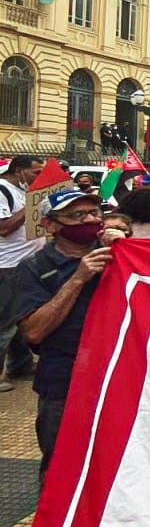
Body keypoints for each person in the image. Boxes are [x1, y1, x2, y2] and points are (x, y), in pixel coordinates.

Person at [14, 189, 114, 482]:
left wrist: (128, 248)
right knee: (61, 464)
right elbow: (33, 331)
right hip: (64, 380)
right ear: (50, 224)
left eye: (95, 213)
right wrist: (78, 279)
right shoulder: (34, 268)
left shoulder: (117, 254)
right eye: (76, 215)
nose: (89, 220)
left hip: (116, 375)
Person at [0, 155, 41, 390]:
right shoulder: (2, 190)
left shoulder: (19, 190)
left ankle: (21, 364)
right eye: (35, 172)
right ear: (19, 171)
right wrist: (32, 205)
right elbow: (4, 228)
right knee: (5, 322)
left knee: (20, 316)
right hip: (8, 265)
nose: (38, 177)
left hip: (25, 264)